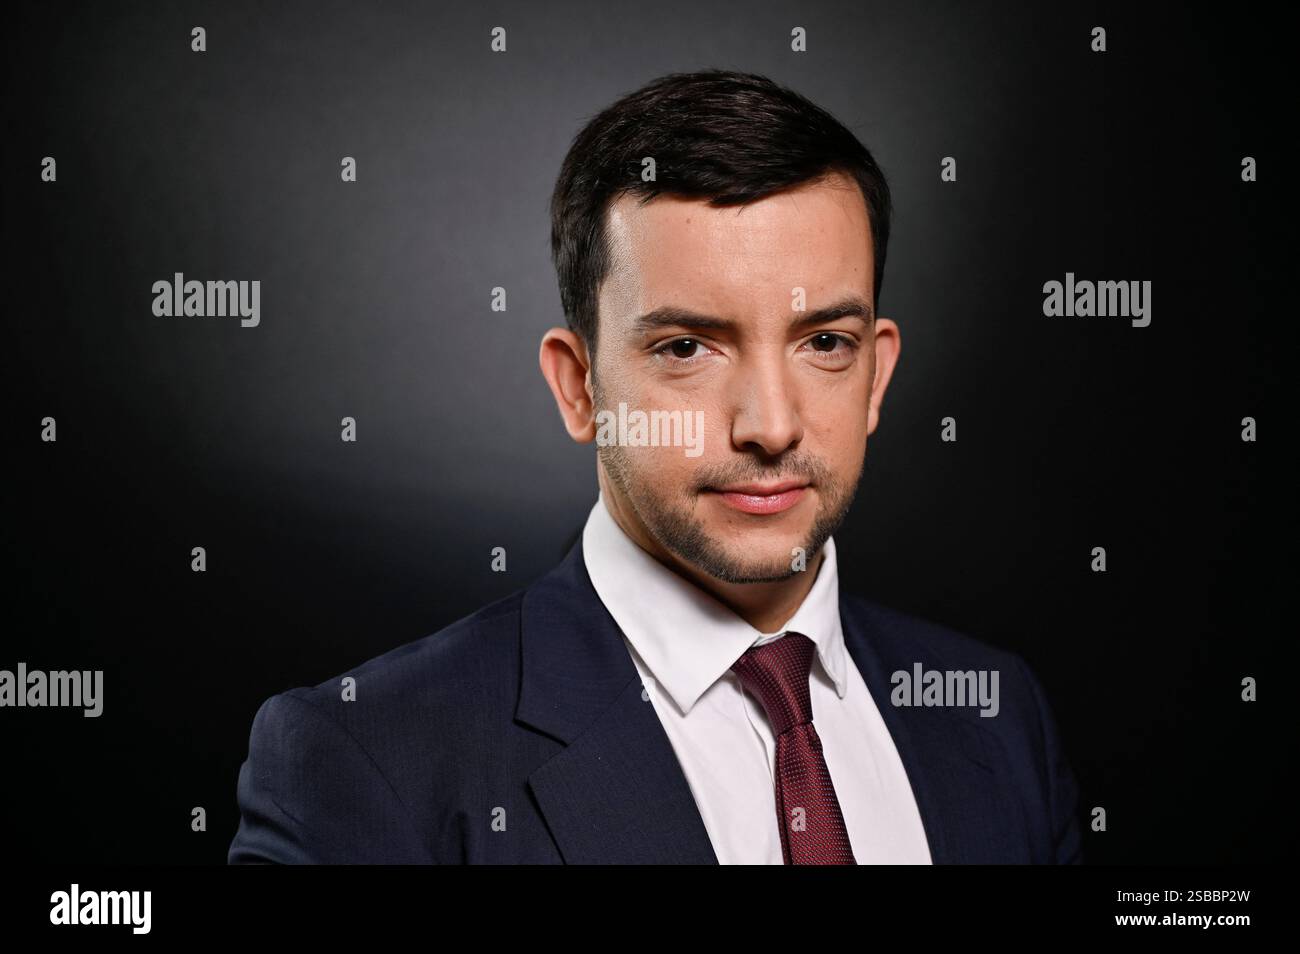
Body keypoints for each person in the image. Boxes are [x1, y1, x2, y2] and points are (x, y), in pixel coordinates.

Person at [228, 68, 1083, 865]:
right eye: (686, 347)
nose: (772, 427)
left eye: (825, 343)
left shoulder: (996, 714)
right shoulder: (363, 763)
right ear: (580, 388)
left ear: (876, 376)